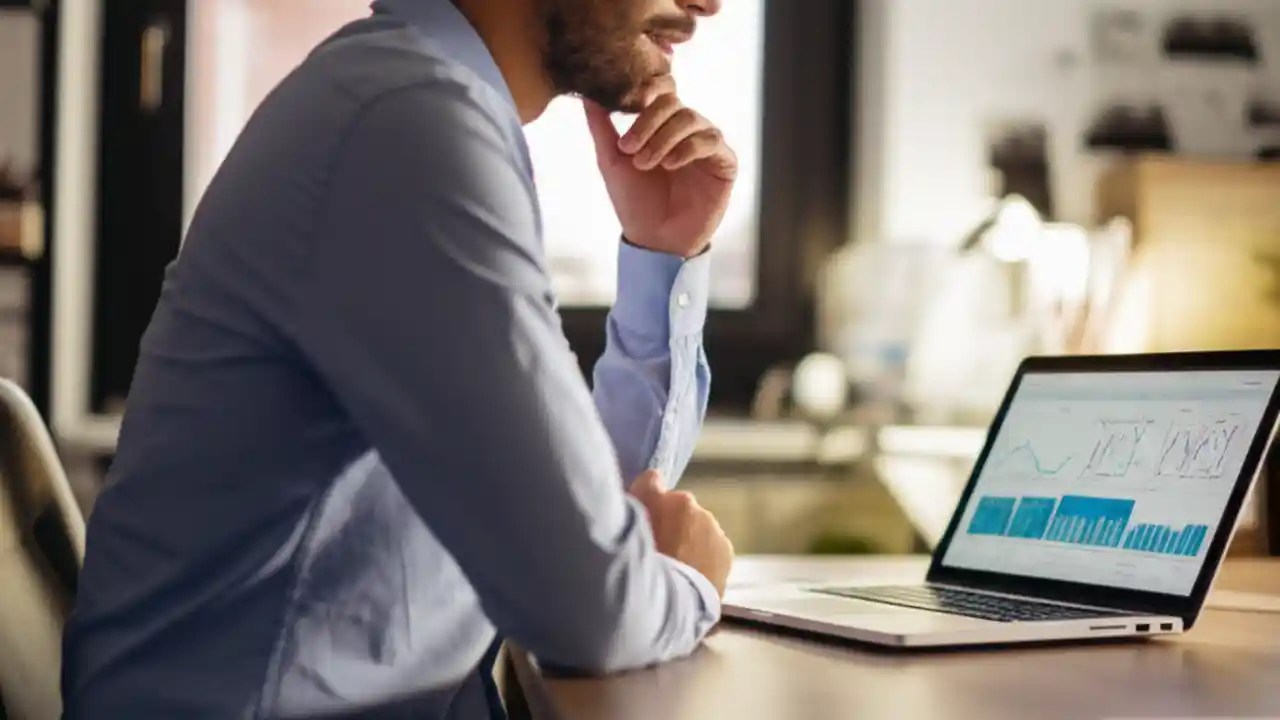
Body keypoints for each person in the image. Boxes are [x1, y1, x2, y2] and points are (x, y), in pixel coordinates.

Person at [61, 0, 737, 717]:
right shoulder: (409, 123)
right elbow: (585, 605)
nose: (709, 2)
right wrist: (684, 584)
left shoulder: (420, 105)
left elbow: (564, 507)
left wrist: (664, 252)